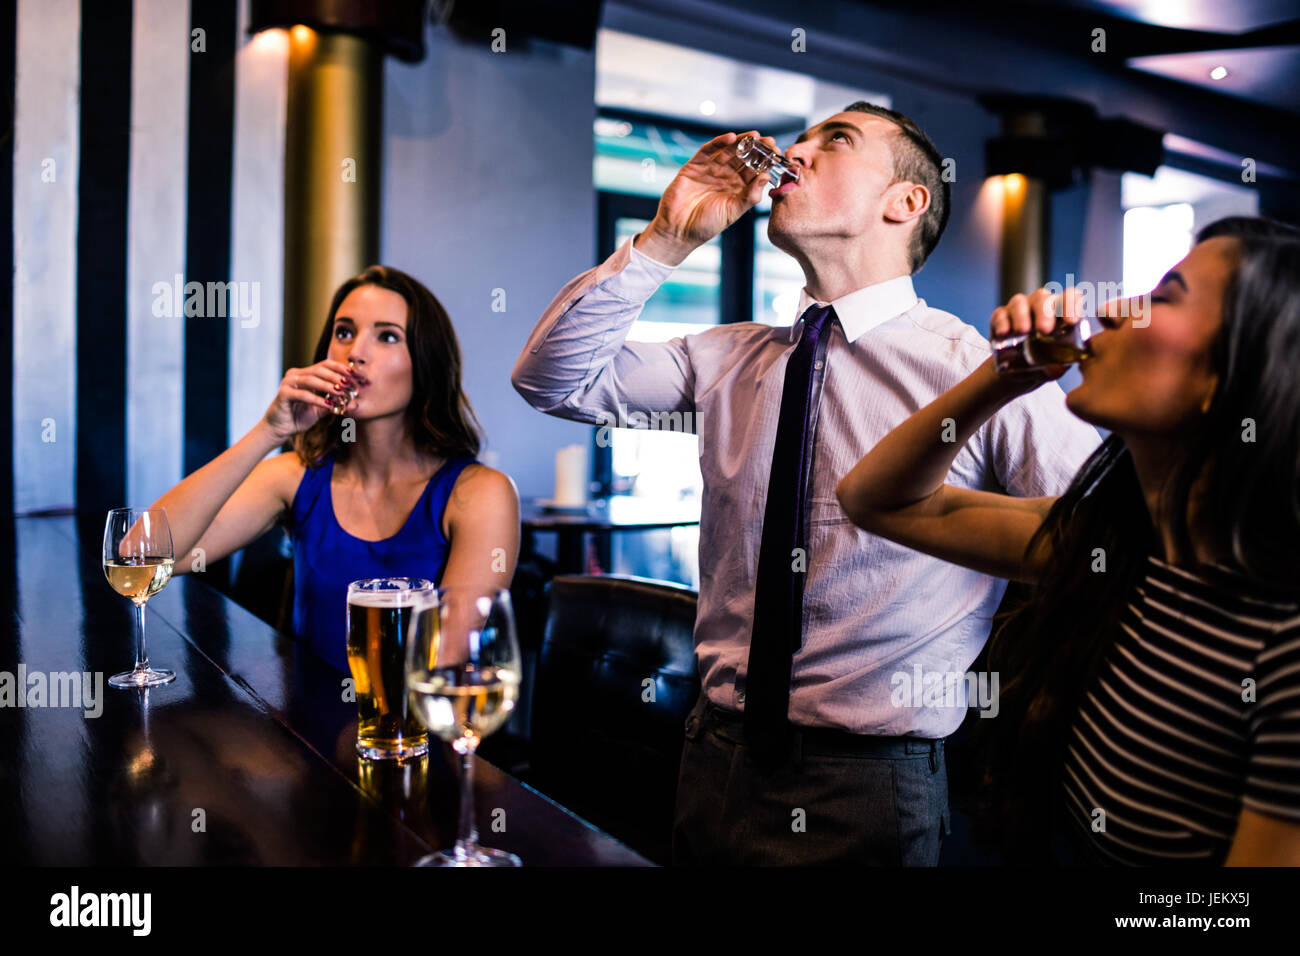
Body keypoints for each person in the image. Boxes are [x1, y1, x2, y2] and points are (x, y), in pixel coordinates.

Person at [512, 102, 1100, 865]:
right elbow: (551, 381)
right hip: (708, 752)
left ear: (905, 201)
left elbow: (1098, 540)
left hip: (866, 779)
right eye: (805, 137)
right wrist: (665, 242)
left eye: (837, 141)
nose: (797, 151)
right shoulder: (730, 357)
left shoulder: (973, 370)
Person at [836, 216, 1300, 865]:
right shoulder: (1108, 549)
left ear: (1233, 376)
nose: (1110, 309)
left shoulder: (1282, 644)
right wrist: (1004, 376)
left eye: (1163, 297)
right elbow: (875, 500)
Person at [155, 265, 520, 673]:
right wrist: (268, 432)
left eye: (387, 336)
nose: (355, 352)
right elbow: (142, 555)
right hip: (299, 733)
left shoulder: (479, 493)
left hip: (410, 732)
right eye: (344, 332)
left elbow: (441, 670)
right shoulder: (295, 476)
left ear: (427, 363)